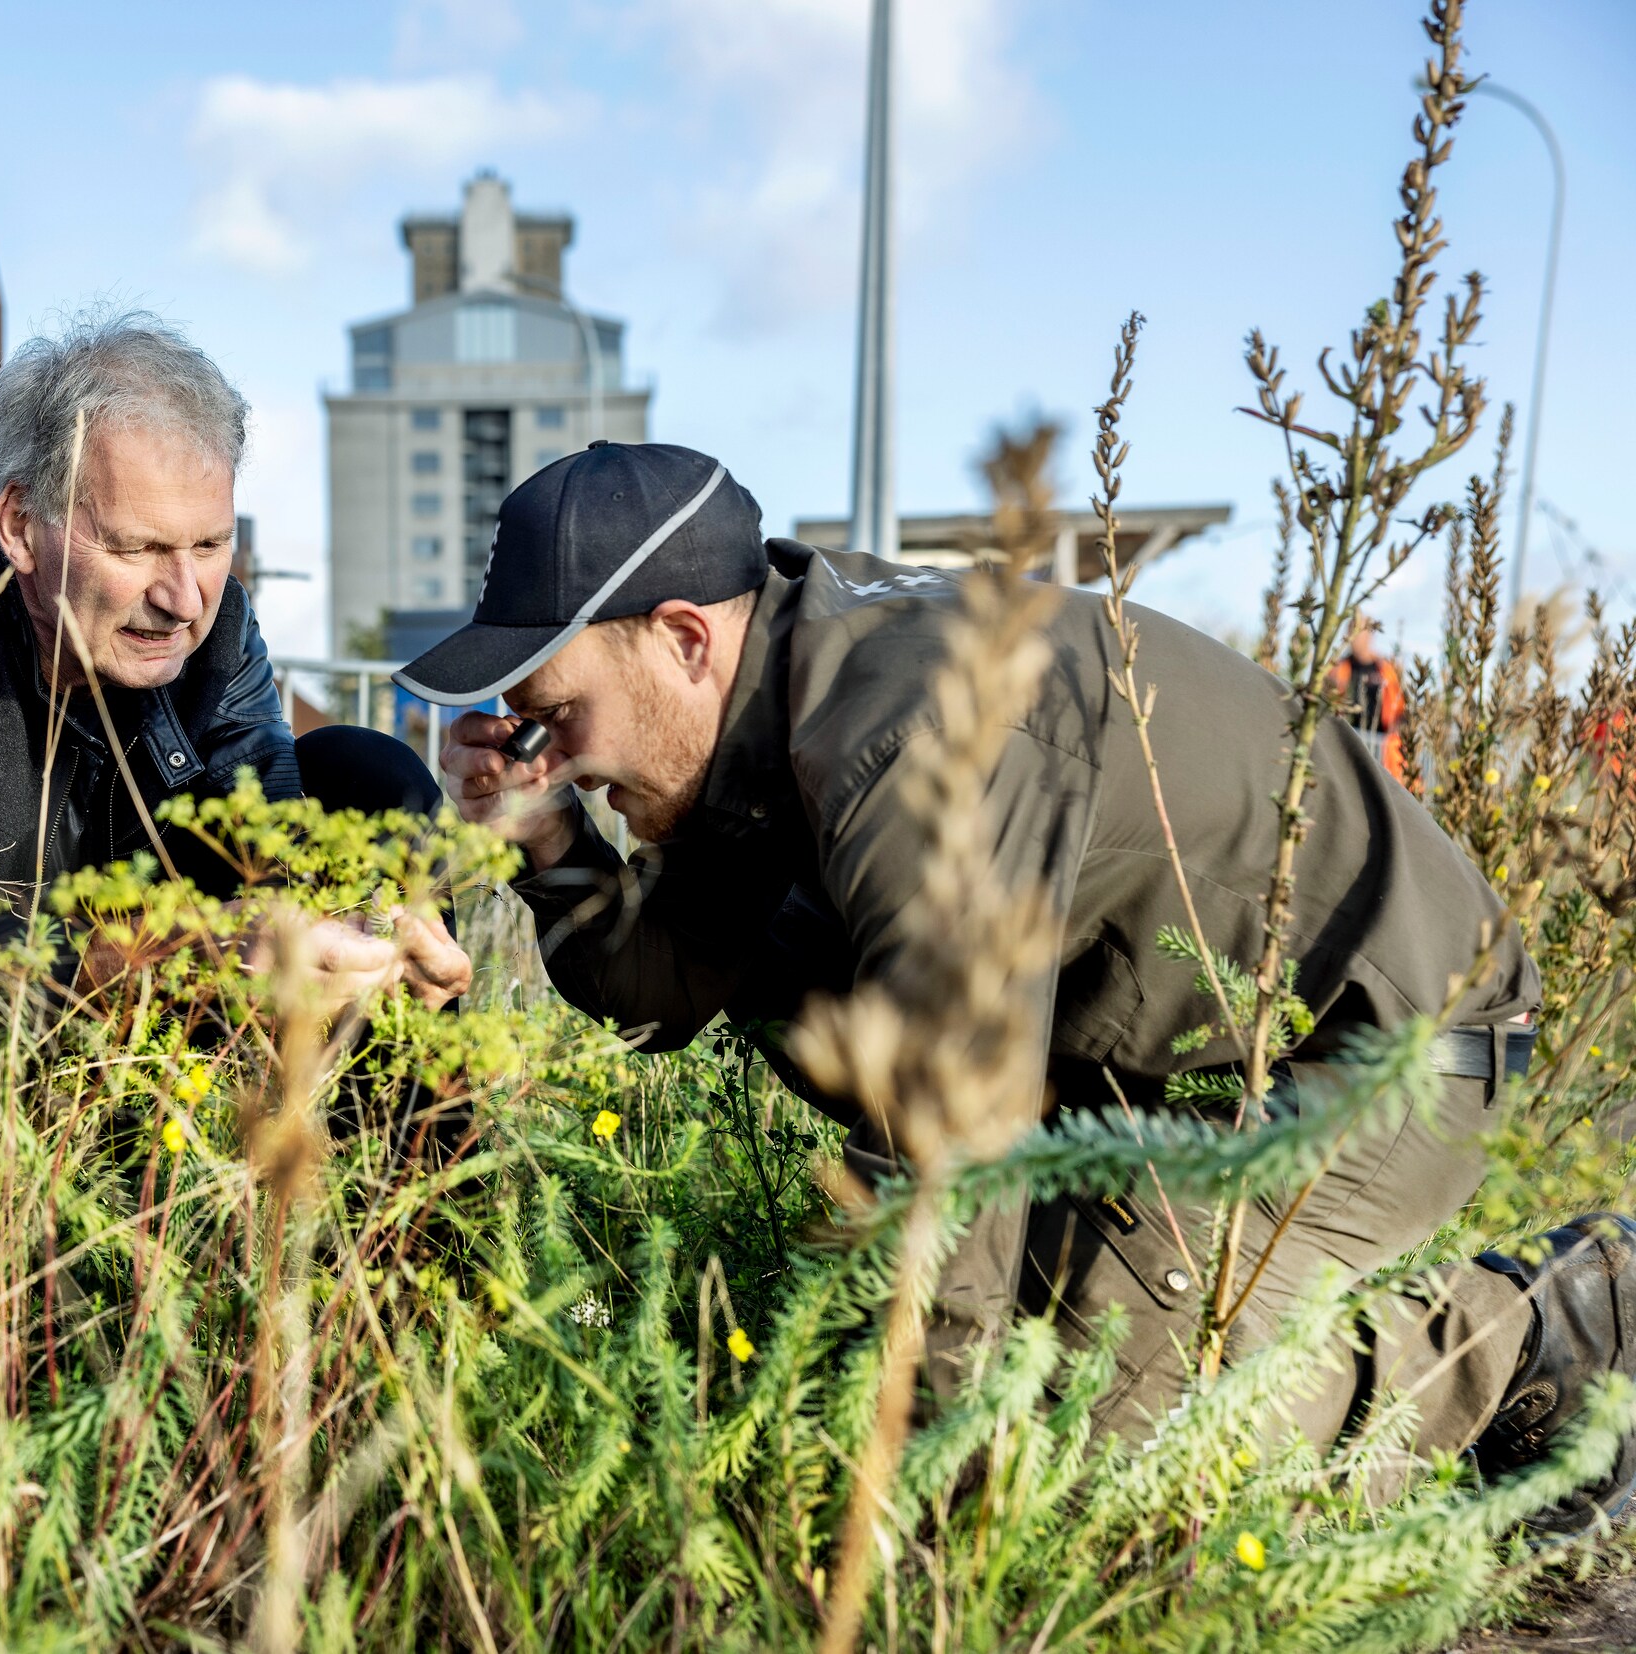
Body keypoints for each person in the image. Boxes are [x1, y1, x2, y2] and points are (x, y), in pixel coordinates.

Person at [405, 439, 1636, 1528]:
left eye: (555, 715)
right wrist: (548, 841)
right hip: (1159, 1073)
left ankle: (1538, 1324)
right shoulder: (763, 694)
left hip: (1380, 1060)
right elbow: (665, 995)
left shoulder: (909, 728)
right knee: (797, 983)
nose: (545, 753)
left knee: (1114, 1463)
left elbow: (952, 1146)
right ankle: (1115, 1301)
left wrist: (932, 1505)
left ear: (681, 639)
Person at [0, 308, 468, 1014]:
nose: (186, 598)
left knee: (368, 776)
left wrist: (355, 927)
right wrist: (190, 953)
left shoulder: (215, 626)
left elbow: (267, 831)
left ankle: (418, 1154)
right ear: (22, 524)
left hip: (102, 1055)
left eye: (209, 544)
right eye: (138, 547)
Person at [1330, 613, 1408, 782]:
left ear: (1369, 635)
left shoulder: (1385, 671)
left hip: (1382, 747)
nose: (1355, 638)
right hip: (1348, 740)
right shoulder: (1338, 670)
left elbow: (1398, 711)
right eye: (1352, 632)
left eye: (1360, 632)